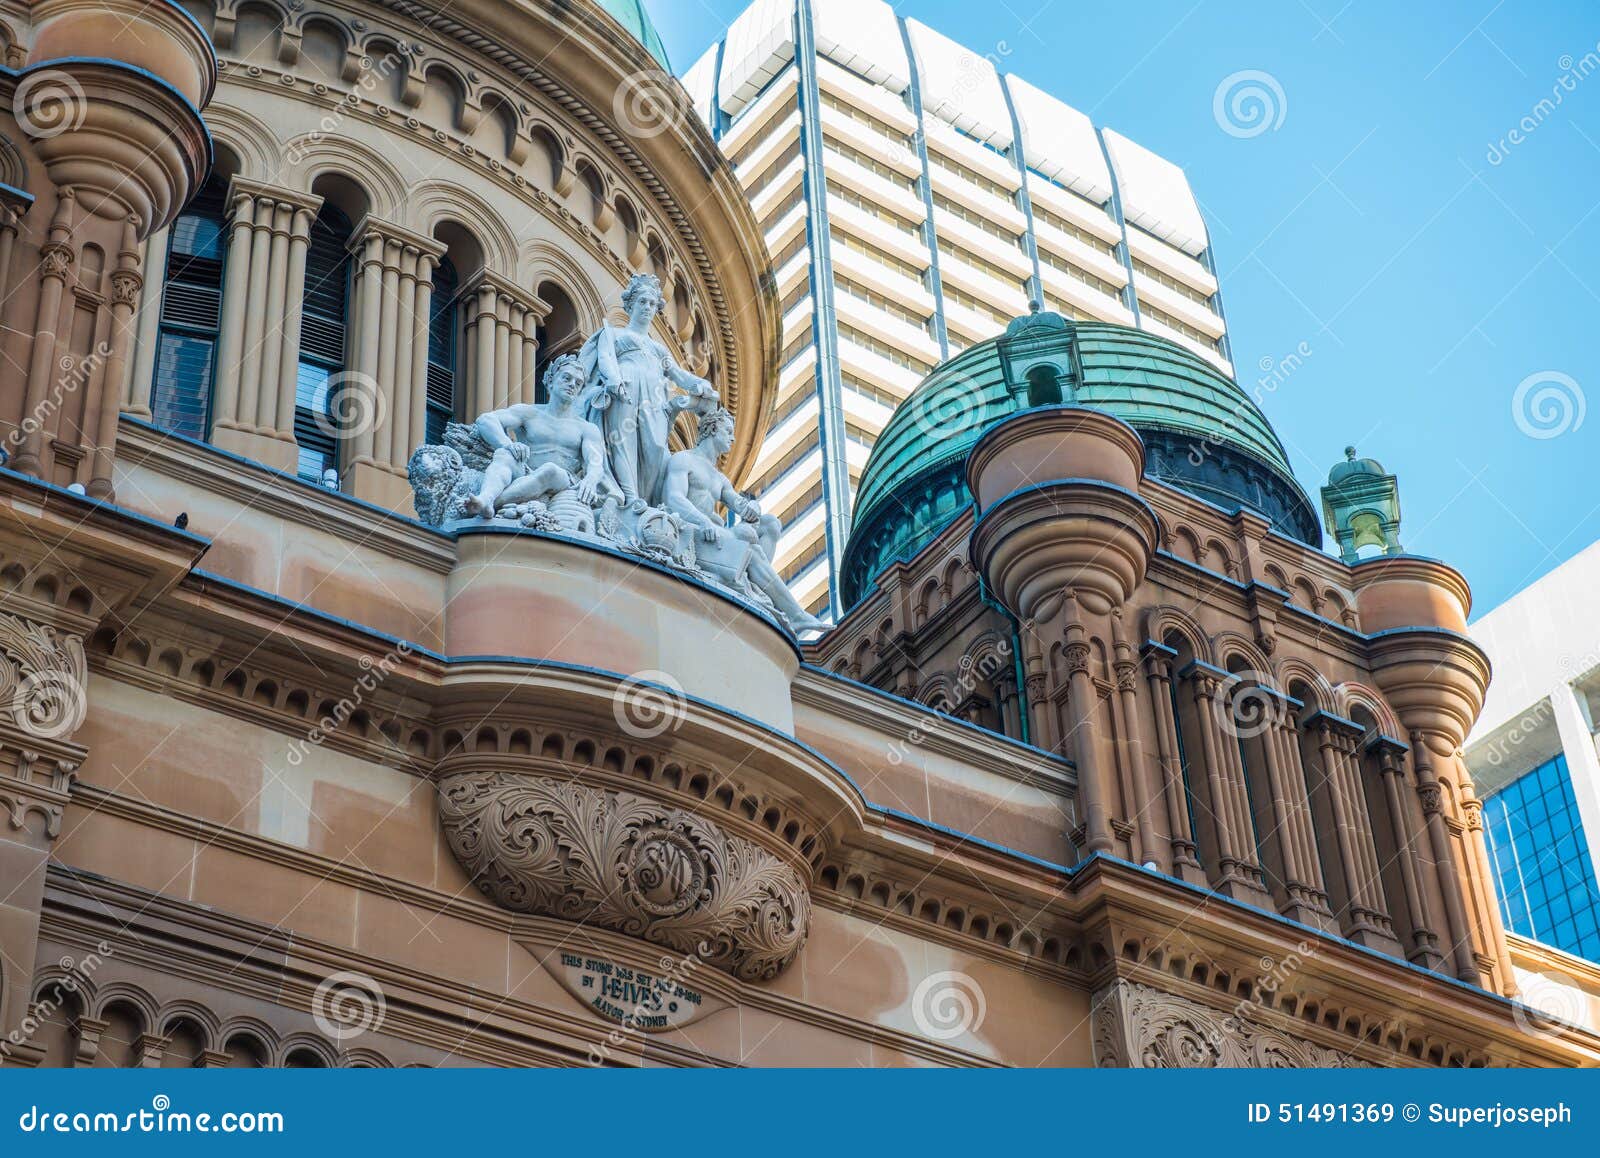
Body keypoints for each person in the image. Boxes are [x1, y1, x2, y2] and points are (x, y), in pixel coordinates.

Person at [663, 408, 828, 634]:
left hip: (715, 537)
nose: (732, 437)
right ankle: (794, 613)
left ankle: (763, 591)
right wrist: (703, 523)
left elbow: (740, 504)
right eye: (728, 431)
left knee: (770, 523)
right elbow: (673, 498)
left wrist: (752, 508)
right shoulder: (684, 460)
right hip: (693, 533)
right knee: (748, 541)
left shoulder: (719, 479)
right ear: (712, 429)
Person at [581, 273, 717, 510]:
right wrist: (614, 380)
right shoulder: (614, 334)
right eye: (643, 301)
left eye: (653, 304)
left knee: (655, 448)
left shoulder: (658, 348)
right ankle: (630, 497)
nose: (647, 307)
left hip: (654, 399)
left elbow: (678, 375)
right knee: (622, 442)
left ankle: (645, 497)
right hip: (626, 386)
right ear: (631, 303)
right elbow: (605, 358)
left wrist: (699, 383)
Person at [461, 354, 618, 517]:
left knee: (550, 470)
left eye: (578, 383)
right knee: (504, 454)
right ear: (550, 381)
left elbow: (595, 461)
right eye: (567, 378)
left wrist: (591, 479)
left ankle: (491, 504)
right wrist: (507, 444)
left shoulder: (586, 428)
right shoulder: (529, 413)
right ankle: (485, 498)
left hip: (563, 480)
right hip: (525, 471)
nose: (572, 384)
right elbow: (486, 420)